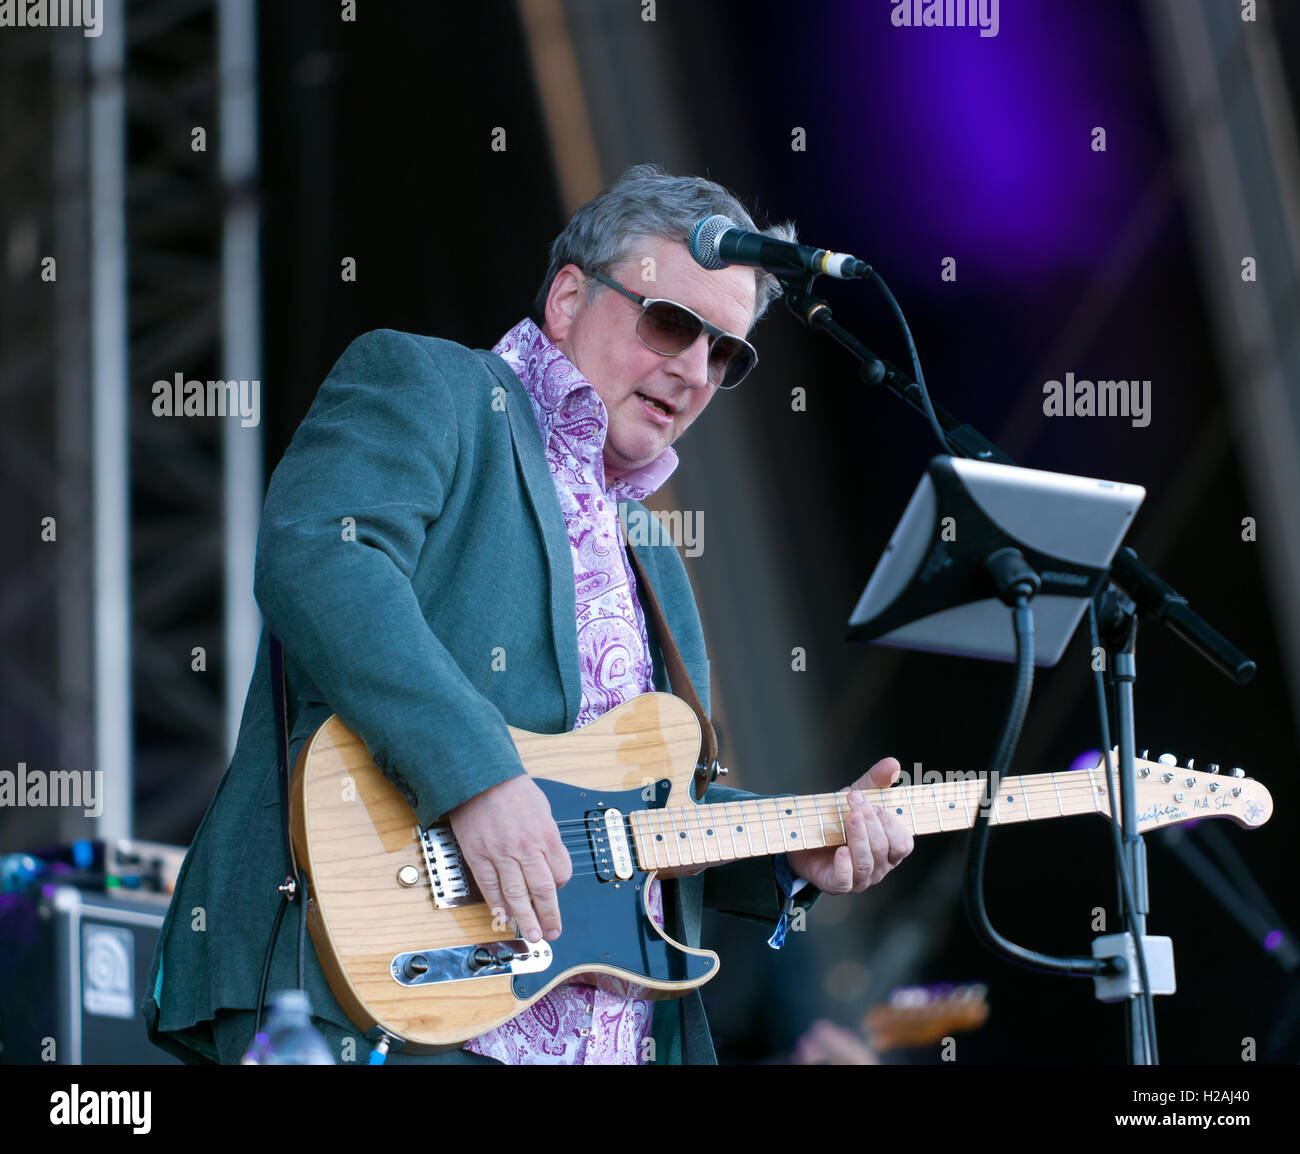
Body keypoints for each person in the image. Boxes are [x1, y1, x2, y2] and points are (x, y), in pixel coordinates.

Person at [142, 164, 914, 1065]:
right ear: (568, 296)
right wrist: (478, 777)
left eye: (726, 355)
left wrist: (794, 850)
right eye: (672, 323)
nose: (694, 370)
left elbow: (636, 808)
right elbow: (322, 557)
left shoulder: (651, 547)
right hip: (392, 995)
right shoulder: (432, 383)